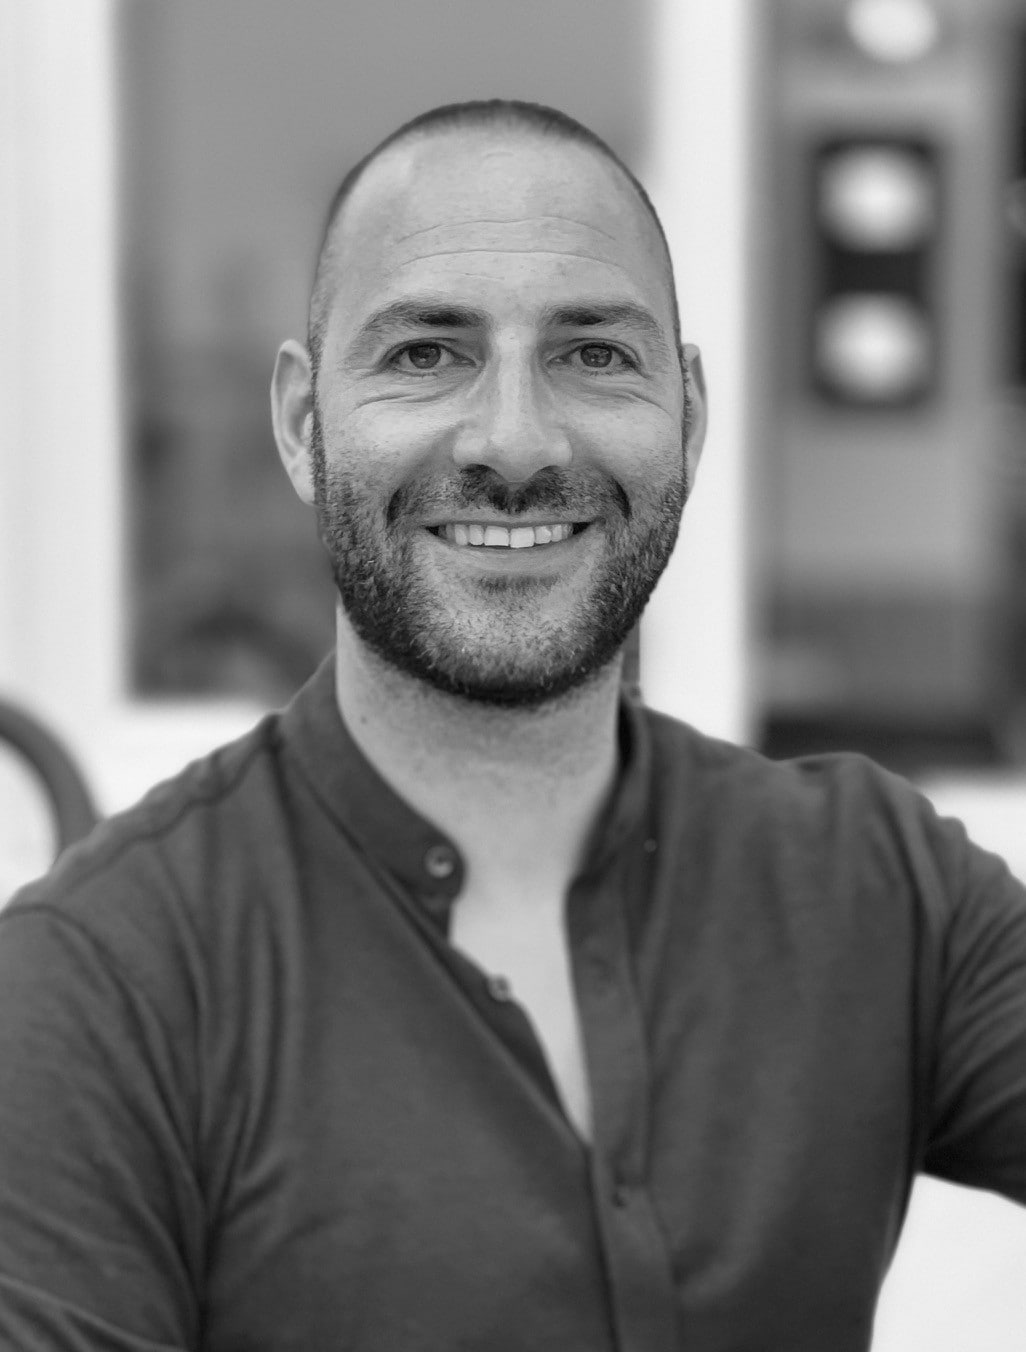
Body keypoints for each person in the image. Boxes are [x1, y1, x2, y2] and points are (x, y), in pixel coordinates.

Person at [1, 98, 1024, 1352]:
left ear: (690, 418)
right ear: (303, 424)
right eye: (427, 352)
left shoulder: (881, 885)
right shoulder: (94, 988)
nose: (517, 443)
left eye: (594, 354)